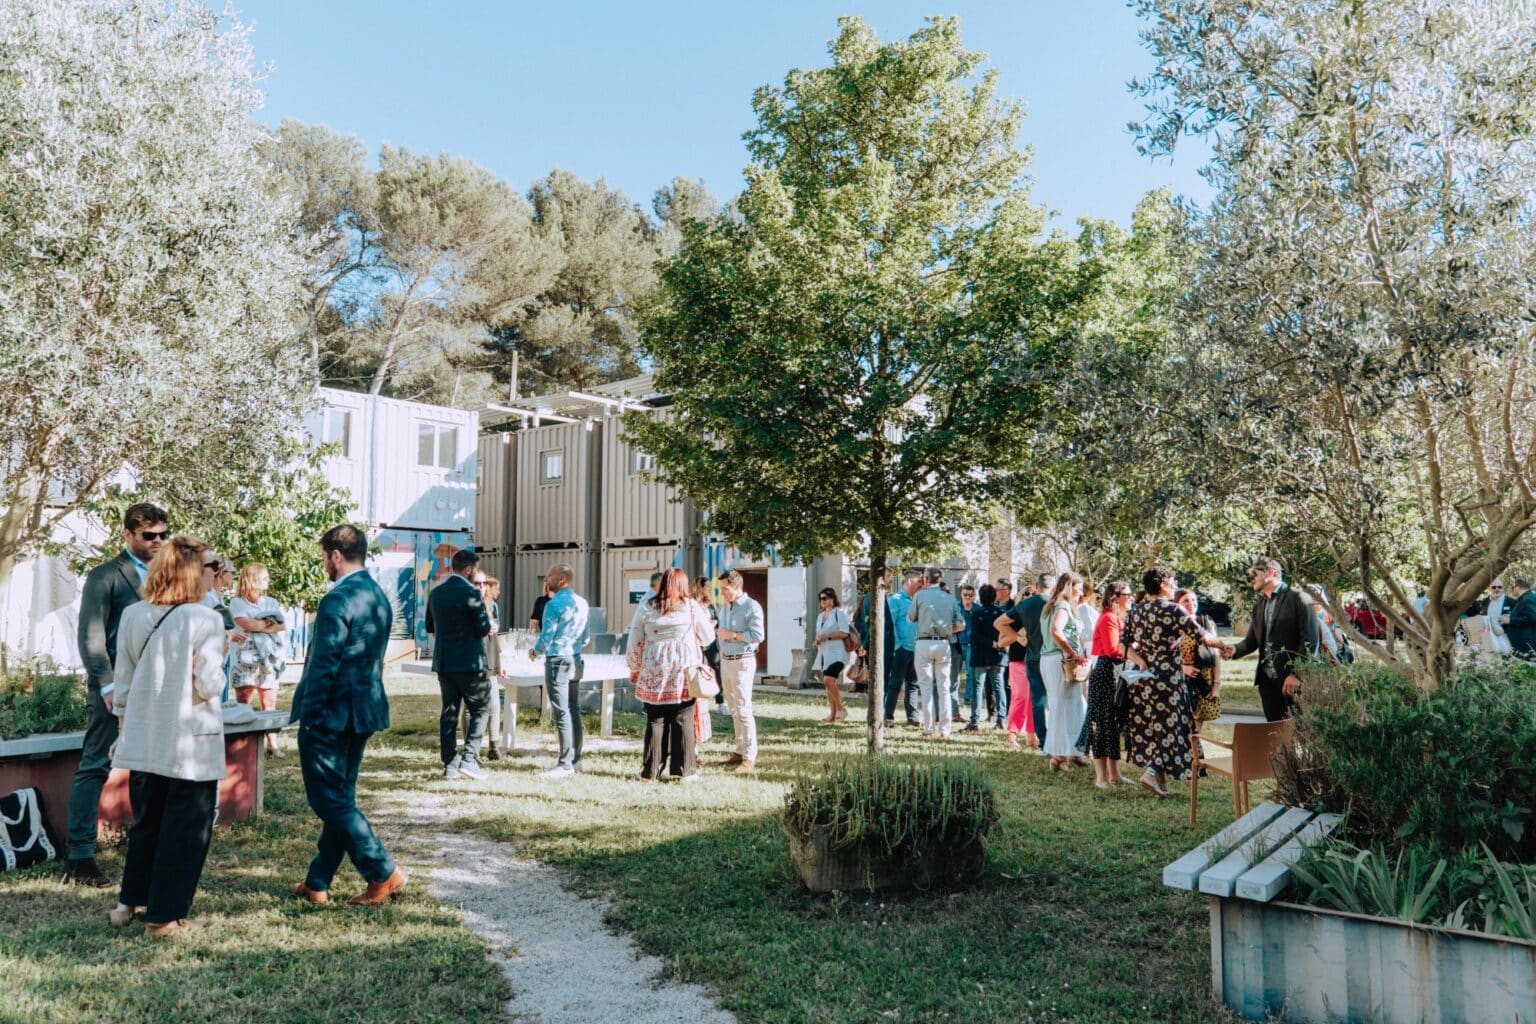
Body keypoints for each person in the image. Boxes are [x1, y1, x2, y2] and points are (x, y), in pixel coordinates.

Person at [106, 535, 228, 937]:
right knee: (186, 828)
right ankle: (164, 917)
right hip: (189, 740)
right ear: (195, 573)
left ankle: (128, 904)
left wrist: (123, 727)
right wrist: (224, 653)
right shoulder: (205, 619)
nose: (215, 574)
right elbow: (209, 685)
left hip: (143, 737)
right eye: (209, 567)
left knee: (148, 822)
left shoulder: (133, 614)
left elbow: (121, 682)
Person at [288, 524, 406, 907]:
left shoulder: (337, 600)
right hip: (364, 708)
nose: (324, 563)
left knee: (329, 802)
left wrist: (310, 714)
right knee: (341, 799)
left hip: (331, 712)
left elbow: (324, 664)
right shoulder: (378, 596)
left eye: (324, 557)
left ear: (335, 555)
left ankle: (382, 871)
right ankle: (317, 881)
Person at [67, 502, 169, 888]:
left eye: (163, 535)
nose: (158, 541)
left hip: (159, 688)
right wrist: (108, 687)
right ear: (127, 535)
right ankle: (79, 856)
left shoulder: (169, 574)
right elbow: (91, 637)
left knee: (151, 767)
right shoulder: (106, 575)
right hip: (117, 689)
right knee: (96, 765)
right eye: (149, 536)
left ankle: (147, 842)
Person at [1123, 567, 1217, 798]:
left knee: (1154, 727)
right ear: (1163, 584)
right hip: (1168, 679)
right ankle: (1152, 771)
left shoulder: (1136, 611)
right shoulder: (1173, 609)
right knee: (1173, 728)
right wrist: (1224, 647)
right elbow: (1202, 636)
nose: (1175, 585)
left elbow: (1123, 645)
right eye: (1172, 581)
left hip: (1143, 679)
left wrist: (1141, 662)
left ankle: (1160, 784)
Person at [628, 568, 716, 780]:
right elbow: (708, 637)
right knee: (683, 718)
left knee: (655, 720)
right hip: (683, 671)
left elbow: (634, 640)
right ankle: (684, 770)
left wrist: (634, 666)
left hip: (653, 669)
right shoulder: (691, 607)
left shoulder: (646, 607)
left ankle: (650, 772)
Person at [426, 549, 494, 781]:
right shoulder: (472, 594)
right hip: (471, 662)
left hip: (445, 661)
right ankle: (469, 759)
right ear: (468, 570)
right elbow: (483, 628)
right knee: (480, 709)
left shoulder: (435, 593)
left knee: (449, 712)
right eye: (475, 569)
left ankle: (450, 764)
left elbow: (428, 626)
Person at [1228, 558, 1319, 722]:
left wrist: (1296, 674)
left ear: (1271, 571)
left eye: (1254, 574)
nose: (1251, 579)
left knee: (1301, 733)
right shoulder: (1259, 605)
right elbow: (1251, 642)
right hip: (1267, 682)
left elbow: (1310, 641)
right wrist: (1233, 650)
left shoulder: (1300, 599)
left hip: (1292, 681)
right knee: (1275, 734)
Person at [530, 563, 590, 779]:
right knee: (574, 709)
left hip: (557, 660)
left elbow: (546, 637)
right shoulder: (582, 604)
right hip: (575, 659)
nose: (546, 580)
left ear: (562, 579)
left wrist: (535, 652)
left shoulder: (553, 605)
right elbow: (586, 638)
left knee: (561, 711)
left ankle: (564, 764)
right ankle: (576, 759)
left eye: (550, 576)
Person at [229, 563, 287, 756]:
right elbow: (246, 623)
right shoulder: (237, 603)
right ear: (252, 580)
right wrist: (267, 623)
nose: (267, 582)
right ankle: (243, 742)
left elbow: (281, 626)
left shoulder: (271, 602)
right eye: (264, 578)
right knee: (243, 700)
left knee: (268, 700)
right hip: (244, 658)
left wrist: (258, 625)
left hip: (268, 657)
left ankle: (272, 744)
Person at [1080, 581, 1132, 788]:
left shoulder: (1116, 618)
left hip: (1113, 673)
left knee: (1112, 725)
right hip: (1106, 673)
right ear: (1115, 597)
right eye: (1127, 594)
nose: (1131, 597)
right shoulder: (1109, 618)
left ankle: (1115, 774)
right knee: (1102, 725)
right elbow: (1112, 650)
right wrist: (1134, 654)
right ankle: (1101, 778)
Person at [1039, 572, 1089, 772]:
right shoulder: (1063, 606)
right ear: (1070, 587)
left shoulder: (1052, 605)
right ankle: (1058, 757)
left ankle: (1074, 751)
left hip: (1051, 659)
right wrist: (1073, 653)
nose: (1082, 592)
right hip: (1060, 660)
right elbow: (1056, 631)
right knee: (1061, 706)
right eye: (1079, 587)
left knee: (1075, 703)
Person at [909, 567, 965, 739]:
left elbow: (911, 617)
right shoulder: (950, 599)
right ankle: (945, 730)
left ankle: (928, 729)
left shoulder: (920, 595)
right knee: (944, 687)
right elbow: (962, 624)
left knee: (926, 686)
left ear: (926, 579)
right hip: (943, 642)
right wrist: (948, 629)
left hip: (924, 642)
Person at [716, 569, 764, 770]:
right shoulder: (726, 608)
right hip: (726, 661)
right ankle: (739, 749)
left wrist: (733, 635)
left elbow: (758, 635)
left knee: (744, 709)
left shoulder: (752, 607)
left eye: (725, 589)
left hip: (742, 661)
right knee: (734, 707)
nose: (722, 593)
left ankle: (750, 757)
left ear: (737, 586)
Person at [998, 574, 1047, 750]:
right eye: (1026, 595)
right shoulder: (1015, 616)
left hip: (1036, 660)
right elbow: (1001, 641)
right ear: (1021, 598)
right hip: (1018, 660)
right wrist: (1019, 636)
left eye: (1032, 595)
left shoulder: (1042, 616)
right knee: (1021, 697)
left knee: (1036, 699)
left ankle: (1032, 737)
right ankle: (1012, 735)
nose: (1029, 599)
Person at [1174, 589, 1223, 727]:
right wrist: (1182, 668)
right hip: (1180, 680)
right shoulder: (1173, 624)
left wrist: (1216, 684)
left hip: (1203, 682)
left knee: (1196, 729)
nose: (1191, 604)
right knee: (1180, 726)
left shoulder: (1206, 623)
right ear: (1176, 604)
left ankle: (1195, 749)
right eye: (1186, 601)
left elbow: (1215, 656)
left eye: (1193, 600)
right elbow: (1164, 656)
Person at [883, 570, 923, 726]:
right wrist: (897, 646)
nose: (921, 584)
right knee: (896, 683)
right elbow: (890, 624)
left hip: (916, 648)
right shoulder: (895, 600)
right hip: (902, 649)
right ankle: (888, 716)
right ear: (910, 581)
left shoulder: (917, 600)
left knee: (913, 684)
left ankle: (912, 717)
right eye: (919, 581)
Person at [965, 584, 1007, 731]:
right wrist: (998, 643)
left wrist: (991, 643)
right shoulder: (1001, 612)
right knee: (999, 687)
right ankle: (1001, 719)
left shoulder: (977, 613)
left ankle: (974, 721)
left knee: (977, 689)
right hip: (997, 656)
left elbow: (974, 635)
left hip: (980, 656)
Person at [812, 586, 851, 723]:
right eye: (820, 598)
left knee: (828, 680)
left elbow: (844, 632)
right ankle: (832, 714)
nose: (822, 601)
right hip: (824, 654)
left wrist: (827, 637)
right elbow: (819, 634)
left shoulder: (838, 613)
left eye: (825, 598)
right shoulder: (820, 616)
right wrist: (816, 641)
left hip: (838, 654)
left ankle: (841, 708)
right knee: (829, 684)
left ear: (832, 600)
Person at [693, 576, 726, 711]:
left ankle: (721, 702)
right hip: (696, 642)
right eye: (707, 586)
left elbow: (716, 619)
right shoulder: (691, 603)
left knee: (717, 667)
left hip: (710, 641)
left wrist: (713, 624)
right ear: (699, 587)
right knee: (695, 669)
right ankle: (695, 699)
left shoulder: (710, 604)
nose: (709, 589)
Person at [951, 585, 976, 723]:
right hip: (958, 645)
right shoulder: (956, 607)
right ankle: (954, 704)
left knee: (971, 674)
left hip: (971, 645)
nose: (967, 597)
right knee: (954, 676)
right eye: (965, 594)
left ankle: (968, 699)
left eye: (970, 595)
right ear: (961, 594)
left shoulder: (976, 608)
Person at [1505, 578, 1536, 659]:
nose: (1513, 590)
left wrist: (1510, 620)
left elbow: (1533, 618)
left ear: (1517, 588)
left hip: (1526, 643)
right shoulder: (1525, 598)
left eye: (1513, 587)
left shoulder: (1528, 598)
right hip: (1522, 643)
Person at [1485, 578, 1513, 657]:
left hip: (1506, 638)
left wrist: (1510, 618)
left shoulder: (1512, 602)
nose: (1496, 589)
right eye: (1494, 587)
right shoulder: (1484, 602)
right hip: (1489, 638)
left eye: (1499, 587)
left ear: (1503, 588)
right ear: (1490, 588)